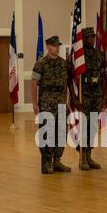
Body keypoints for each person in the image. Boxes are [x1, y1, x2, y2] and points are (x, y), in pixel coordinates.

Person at [31, 34, 72, 174]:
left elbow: (65, 84)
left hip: (60, 101)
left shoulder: (63, 63)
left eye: (58, 45)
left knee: (61, 132)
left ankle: (57, 160)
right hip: (47, 102)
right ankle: (46, 161)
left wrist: (67, 102)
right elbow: (34, 83)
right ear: (48, 47)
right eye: (54, 46)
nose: (57, 48)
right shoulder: (41, 63)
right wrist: (34, 103)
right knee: (46, 133)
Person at [78, 28, 105, 170]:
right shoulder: (78, 56)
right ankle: (82, 156)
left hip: (96, 94)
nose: (91, 40)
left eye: (93, 37)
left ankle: (89, 154)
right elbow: (72, 78)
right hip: (85, 94)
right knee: (83, 125)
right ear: (82, 39)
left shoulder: (99, 54)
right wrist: (76, 97)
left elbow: (102, 76)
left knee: (93, 126)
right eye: (88, 38)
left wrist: (104, 96)